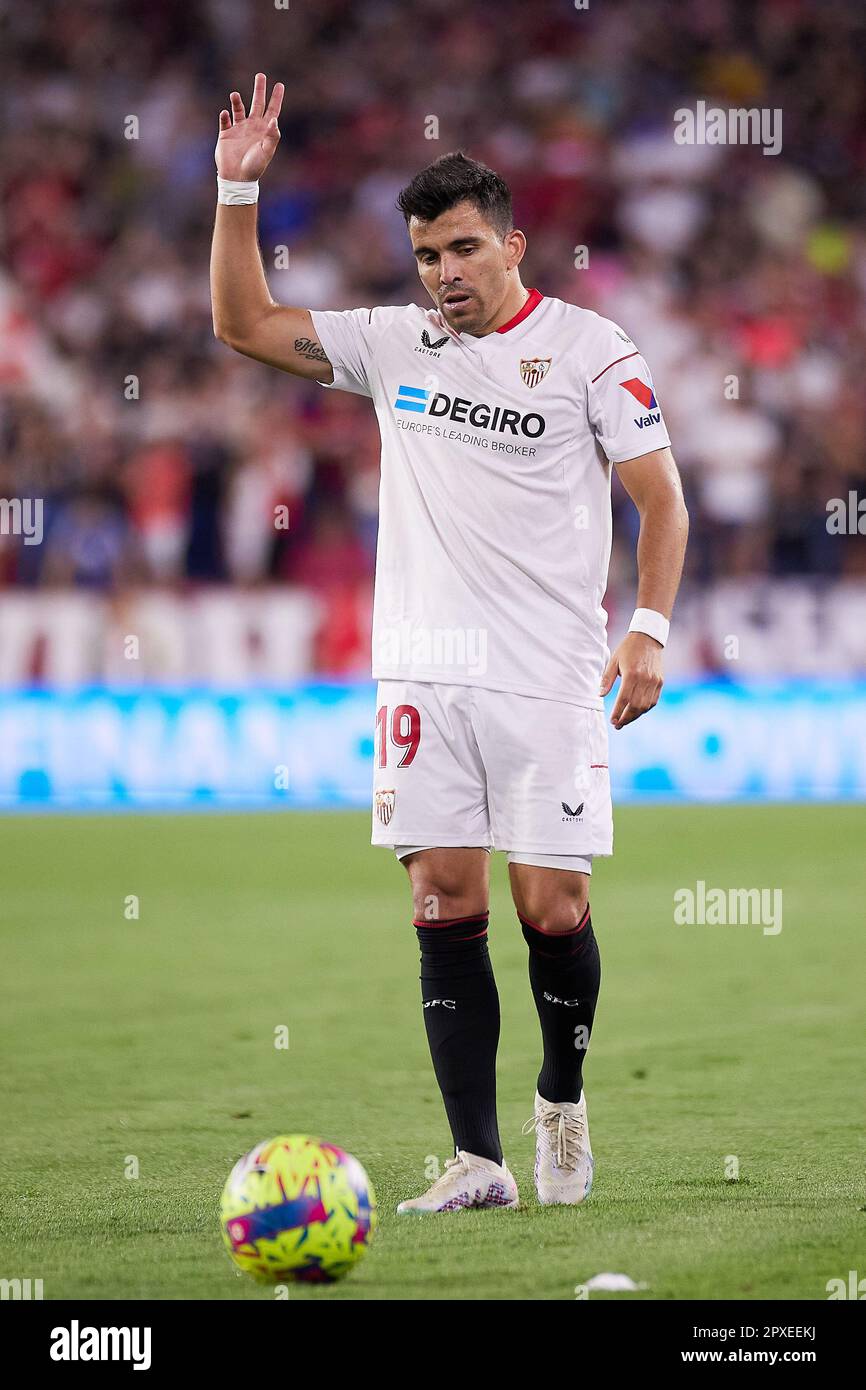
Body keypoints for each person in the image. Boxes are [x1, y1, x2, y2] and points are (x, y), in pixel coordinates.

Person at [210, 75, 689, 1213]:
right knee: (439, 899)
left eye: (464, 248)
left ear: (511, 243)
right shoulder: (392, 345)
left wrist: (647, 630)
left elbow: (659, 500)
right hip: (422, 669)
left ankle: (560, 1100)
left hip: (546, 673)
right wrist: (238, 187)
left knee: (553, 910)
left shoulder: (589, 348)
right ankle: (478, 1160)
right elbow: (239, 323)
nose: (445, 273)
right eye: (427, 254)